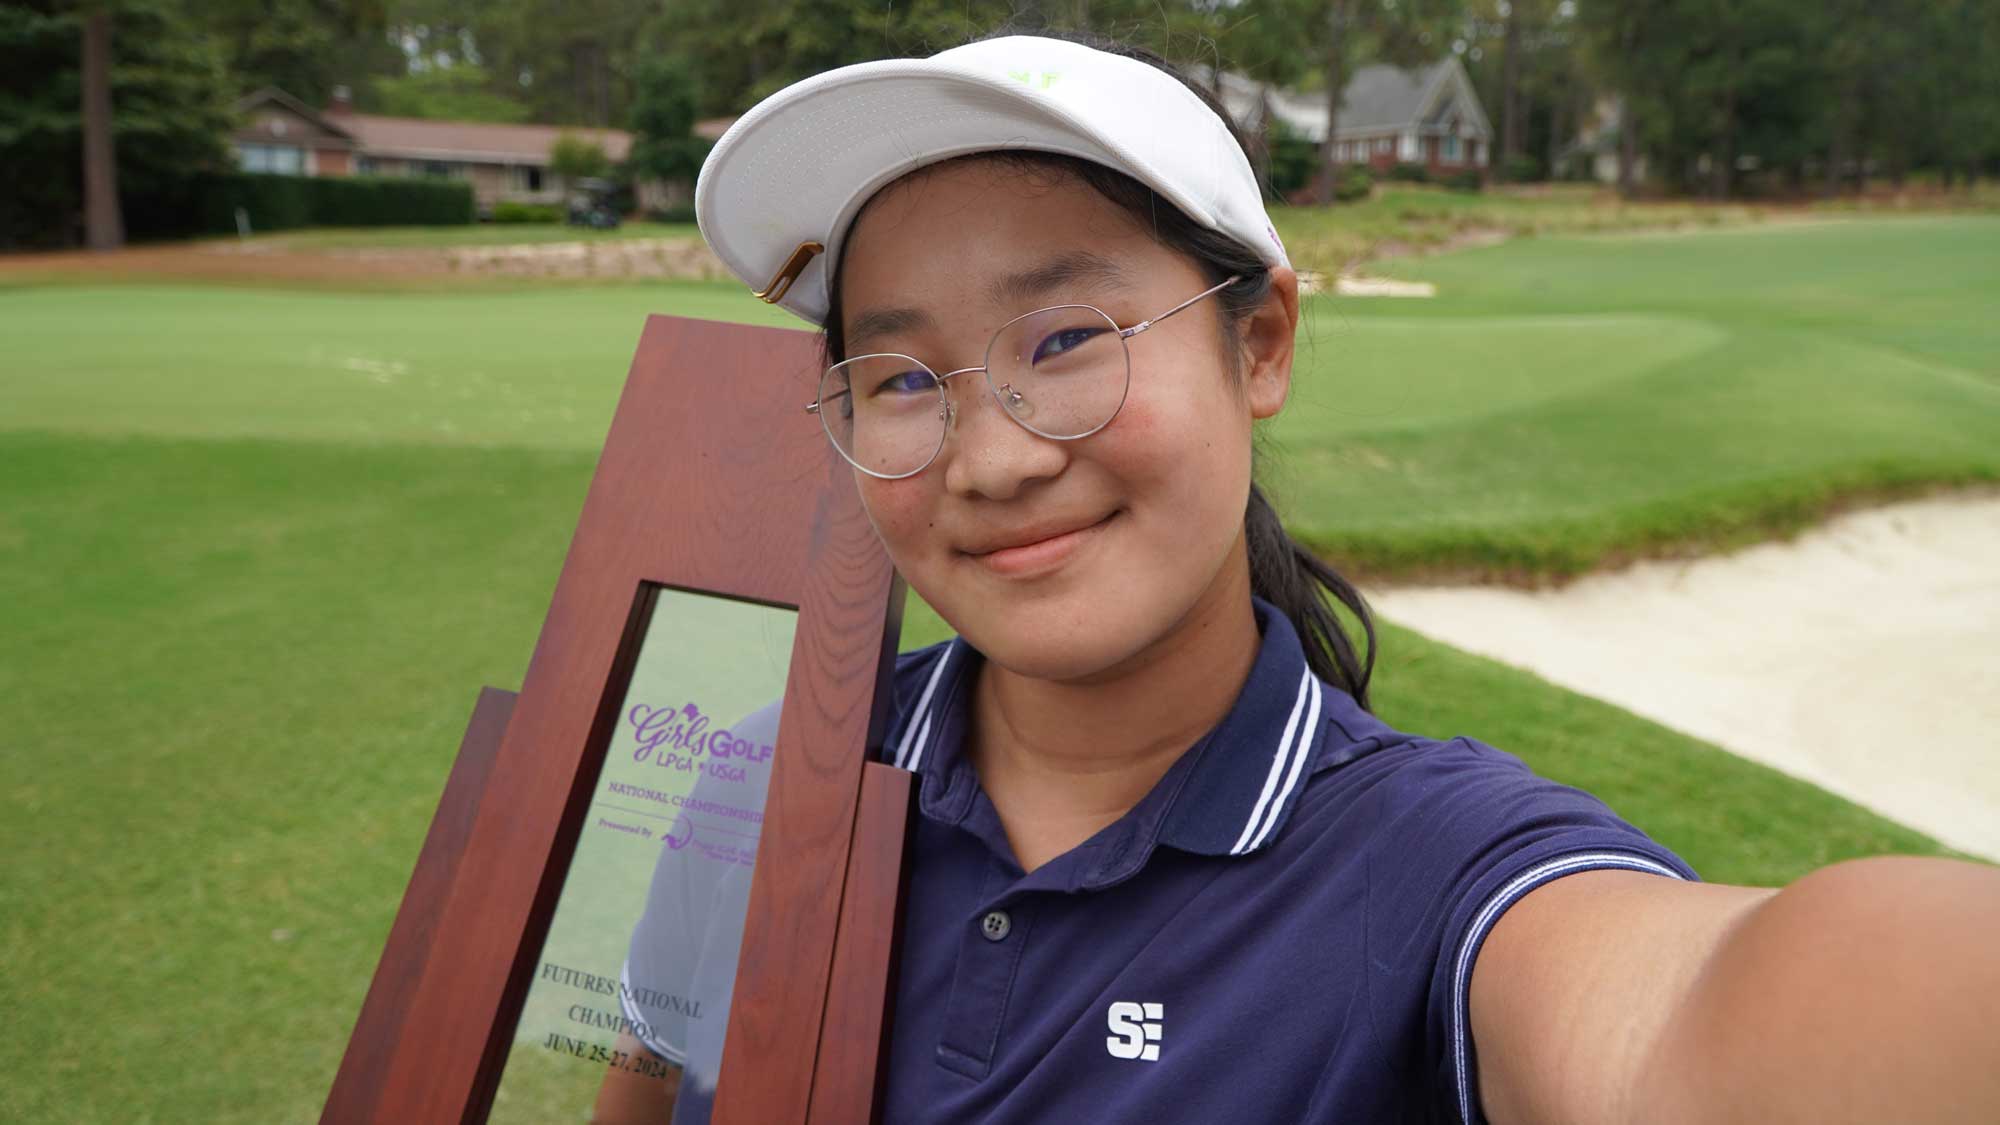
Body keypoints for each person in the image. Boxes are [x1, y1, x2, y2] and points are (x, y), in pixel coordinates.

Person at [595, 31, 2000, 1124]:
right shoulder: (761, 780)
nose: (991, 458)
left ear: (1258, 342)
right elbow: (652, 1079)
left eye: (1066, 337)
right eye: (902, 376)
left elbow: (1689, 1028)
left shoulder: (1434, 873)